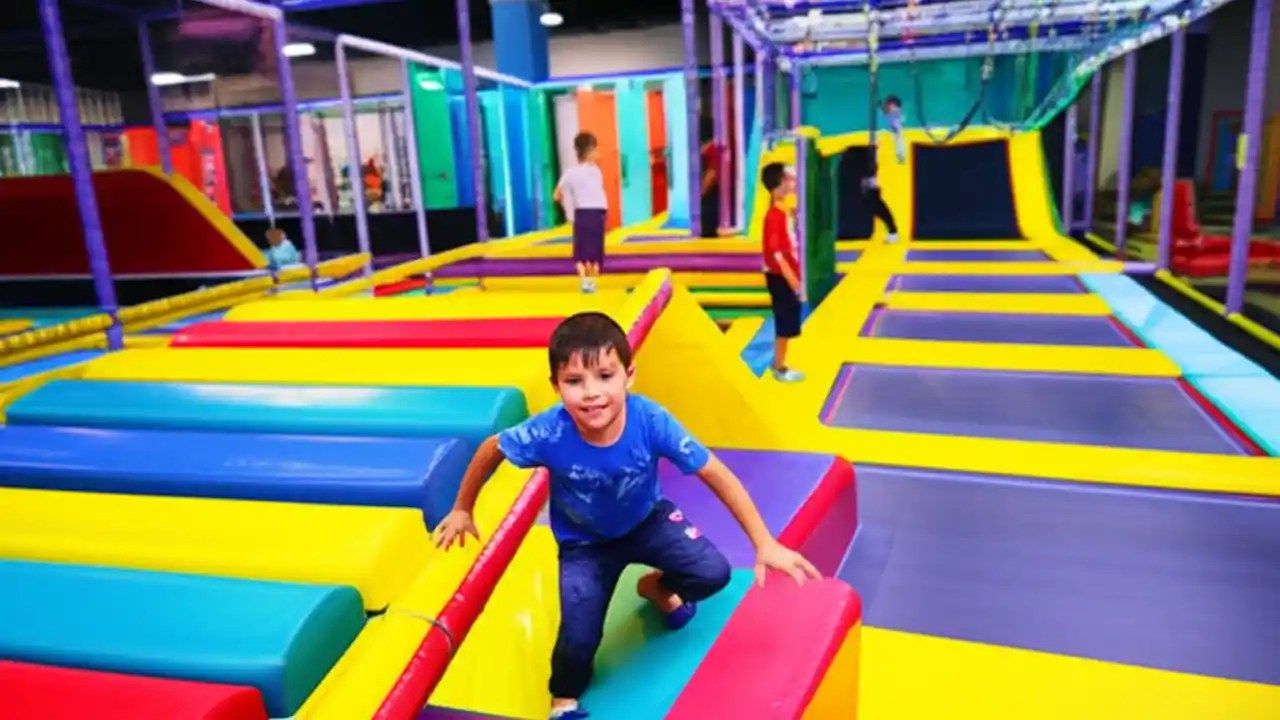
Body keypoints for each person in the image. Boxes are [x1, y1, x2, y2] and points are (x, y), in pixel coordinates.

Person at [434, 312, 820, 720]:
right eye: (574, 381)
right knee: (579, 636)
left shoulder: (650, 420)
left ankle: (655, 587)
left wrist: (763, 542)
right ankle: (561, 699)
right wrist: (462, 508)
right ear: (555, 387)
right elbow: (492, 447)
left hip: (647, 520)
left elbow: (715, 473)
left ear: (628, 375)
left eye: (605, 376)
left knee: (713, 573)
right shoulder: (549, 431)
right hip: (585, 545)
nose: (591, 394)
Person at [760, 162, 805, 383]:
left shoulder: (783, 212)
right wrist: (794, 282)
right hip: (780, 277)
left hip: (786, 275)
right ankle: (779, 367)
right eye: (788, 179)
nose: (793, 182)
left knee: (788, 322)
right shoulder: (773, 216)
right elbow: (777, 254)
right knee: (784, 323)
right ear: (778, 185)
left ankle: (779, 363)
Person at [554, 132, 608, 293]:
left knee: (585, 254)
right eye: (596, 149)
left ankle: (589, 287)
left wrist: (569, 211)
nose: (598, 153)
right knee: (591, 254)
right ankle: (589, 286)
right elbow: (557, 194)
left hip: (587, 213)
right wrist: (569, 210)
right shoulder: (586, 172)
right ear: (589, 150)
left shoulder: (582, 171)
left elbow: (558, 194)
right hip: (593, 212)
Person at [861, 95, 904, 243]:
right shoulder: (886, 121)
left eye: (890, 106)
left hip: (886, 165)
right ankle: (892, 230)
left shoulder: (896, 120)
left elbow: (896, 127)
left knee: (874, 198)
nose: (888, 109)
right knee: (869, 198)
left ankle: (893, 230)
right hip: (877, 161)